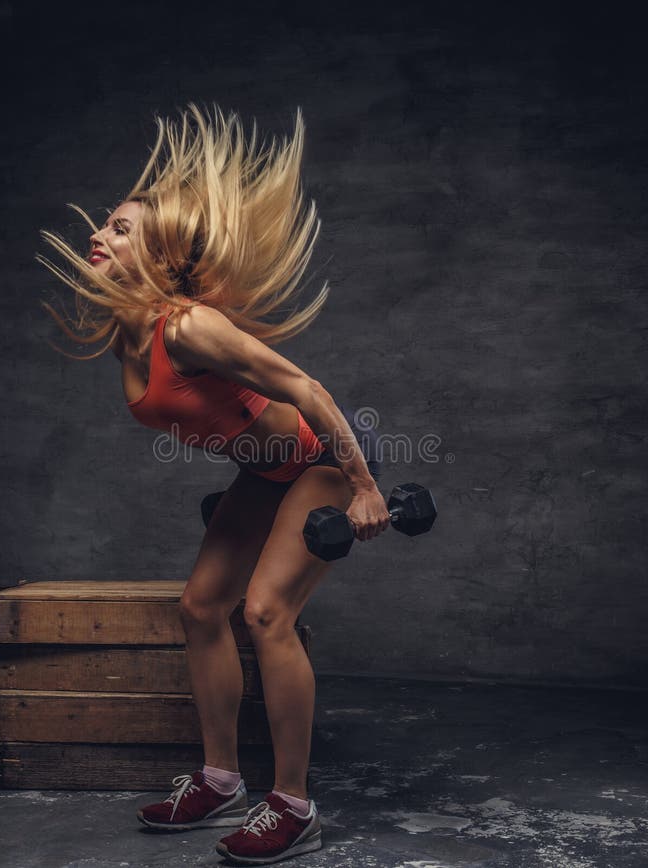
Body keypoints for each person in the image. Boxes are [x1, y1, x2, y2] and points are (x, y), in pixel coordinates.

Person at [38, 104, 389, 865]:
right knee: (200, 608)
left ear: (161, 259)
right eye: (106, 222)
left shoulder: (188, 326)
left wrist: (362, 487)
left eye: (123, 229)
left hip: (319, 466)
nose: (100, 233)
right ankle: (221, 778)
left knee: (265, 614)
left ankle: (293, 806)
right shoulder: (127, 338)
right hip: (264, 471)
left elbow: (306, 387)